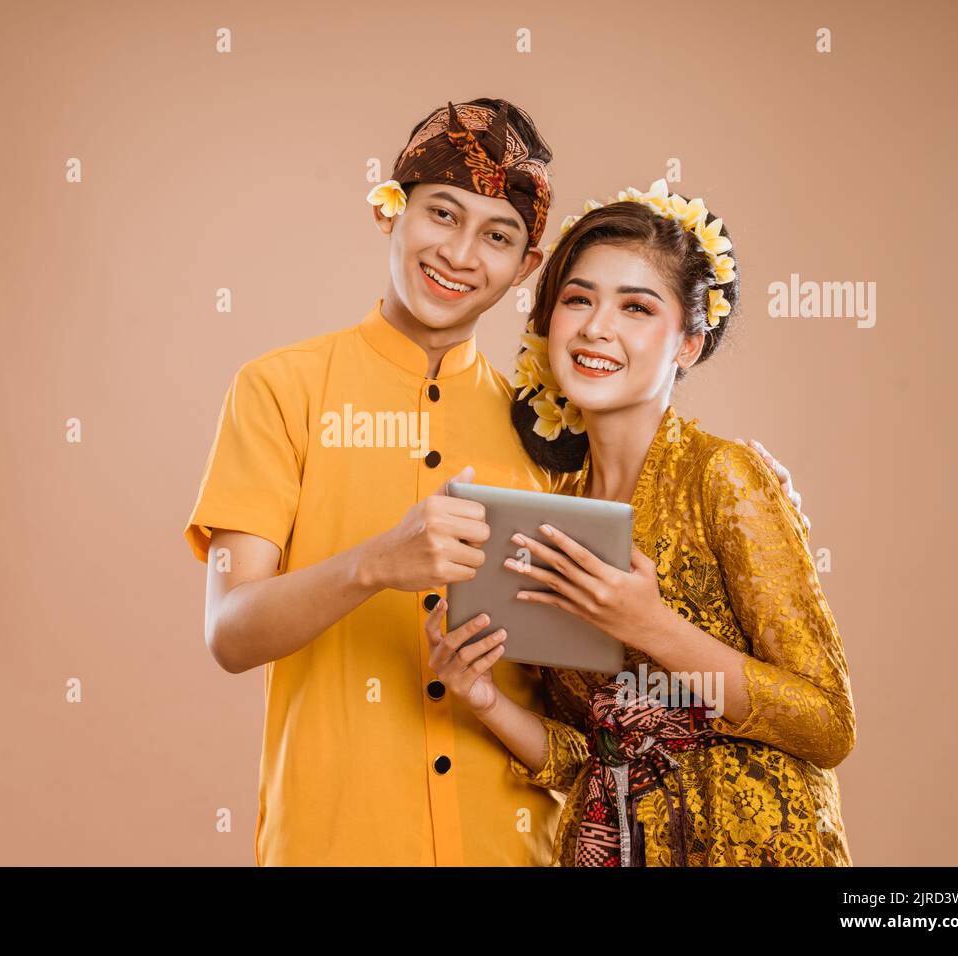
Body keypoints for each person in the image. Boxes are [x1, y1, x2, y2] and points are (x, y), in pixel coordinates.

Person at [185, 98, 806, 865]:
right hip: (336, 838)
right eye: (442, 215)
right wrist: (373, 563)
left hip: (517, 846)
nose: (460, 253)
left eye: (498, 236)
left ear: (526, 268)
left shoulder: (552, 431)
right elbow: (231, 634)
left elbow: (613, 679)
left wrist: (747, 488)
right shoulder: (280, 390)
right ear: (392, 211)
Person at [425, 180, 856, 866]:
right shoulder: (549, 511)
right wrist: (482, 697)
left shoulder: (725, 477)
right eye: (578, 299)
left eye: (636, 307)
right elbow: (590, 753)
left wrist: (650, 625)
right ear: (548, 322)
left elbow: (828, 723)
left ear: (687, 343)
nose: (597, 327)